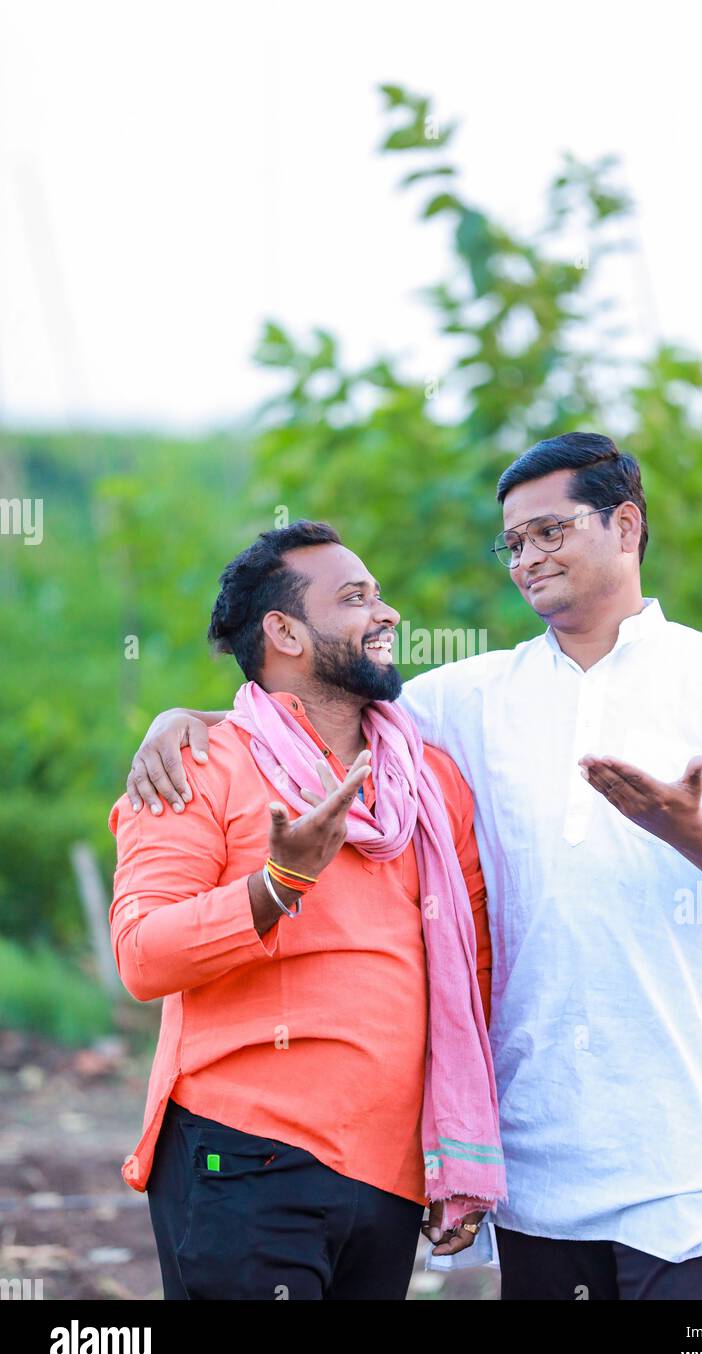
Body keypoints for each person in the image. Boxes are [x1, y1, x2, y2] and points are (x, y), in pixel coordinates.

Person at [126, 432, 702, 1300]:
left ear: (625, 524)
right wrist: (185, 720)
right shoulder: (465, 700)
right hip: (537, 1161)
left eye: (551, 531)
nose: (527, 558)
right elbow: (315, 707)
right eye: (514, 542)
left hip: (684, 1149)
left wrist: (689, 829)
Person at [109, 520, 505, 1301]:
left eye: (380, 594)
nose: (386, 613)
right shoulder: (195, 764)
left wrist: (458, 1150)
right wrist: (276, 884)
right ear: (283, 630)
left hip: (390, 1176)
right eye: (356, 597)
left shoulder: (428, 781)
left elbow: (474, 968)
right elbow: (142, 955)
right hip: (242, 1158)